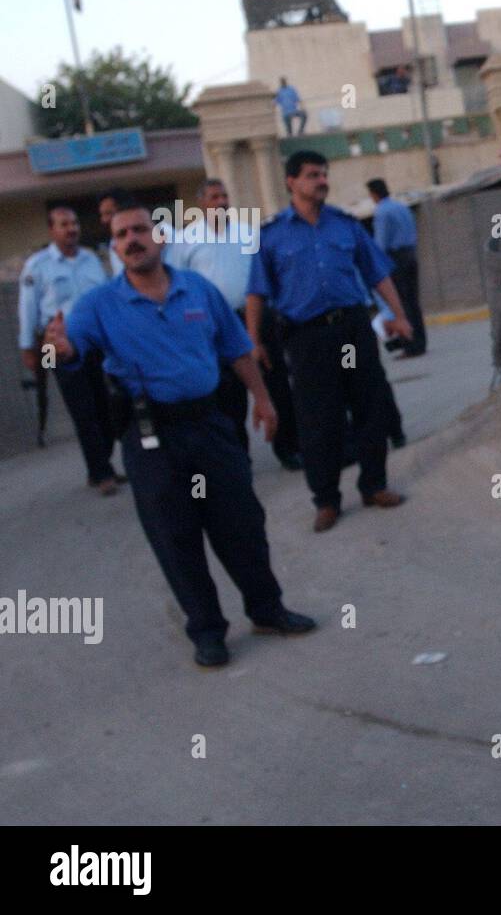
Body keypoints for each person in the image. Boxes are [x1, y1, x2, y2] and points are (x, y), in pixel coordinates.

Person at [42, 200, 316, 668]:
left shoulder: (198, 289)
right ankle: (207, 631)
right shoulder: (98, 305)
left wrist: (264, 400)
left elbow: (236, 348)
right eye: (122, 234)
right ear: (114, 247)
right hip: (152, 437)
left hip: (210, 425)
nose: (132, 239)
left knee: (241, 522)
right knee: (176, 535)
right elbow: (62, 356)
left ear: (160, 237)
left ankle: (267, 609)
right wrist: (58, 350)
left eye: (140, 230)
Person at [245, 150, 412, 532]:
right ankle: (326, 500)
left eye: (323, 174)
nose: (321, 181)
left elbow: (377, 274)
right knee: (319, 417)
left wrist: (399, 316)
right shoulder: (271, 236)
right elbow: (256, 292)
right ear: (291, 182)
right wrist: (254, 341)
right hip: (307, 338)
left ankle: (374, 485)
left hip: (351, 329)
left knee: (368, 404)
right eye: (311, 175)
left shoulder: (345, 226)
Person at [167, 178, 302, 469]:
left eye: (224, 196)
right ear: (201, 203)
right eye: (214, 197)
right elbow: (178, 286)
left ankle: (288, 447)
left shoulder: (247, 233)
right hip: (214, 325)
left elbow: (266, 276)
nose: (221, 202)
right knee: (229, 397)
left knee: (276, 384)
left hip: (255, 318)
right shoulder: (186, 240)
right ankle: (238, 459)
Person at [18, 205, 124, 494]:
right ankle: (102, 473)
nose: (71, 229)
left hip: (93, 341)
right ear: (52, 230)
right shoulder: (37, 265)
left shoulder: (91, 259)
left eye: (74, 223)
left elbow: (105, 299)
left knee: (105, 404)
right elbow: (27, 308)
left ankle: (99, 466)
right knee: (80, 407)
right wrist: (28, 349)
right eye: (64, 224)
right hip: (53, 342)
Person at [367, 178, 426, 357]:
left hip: (395, 260)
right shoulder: (401, 207)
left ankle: (410, 345)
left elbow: (380, 243)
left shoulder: (382, 212)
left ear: (374, 194)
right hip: (410, 255)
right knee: (413, 302)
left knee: (401, 304)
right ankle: (420, 342)